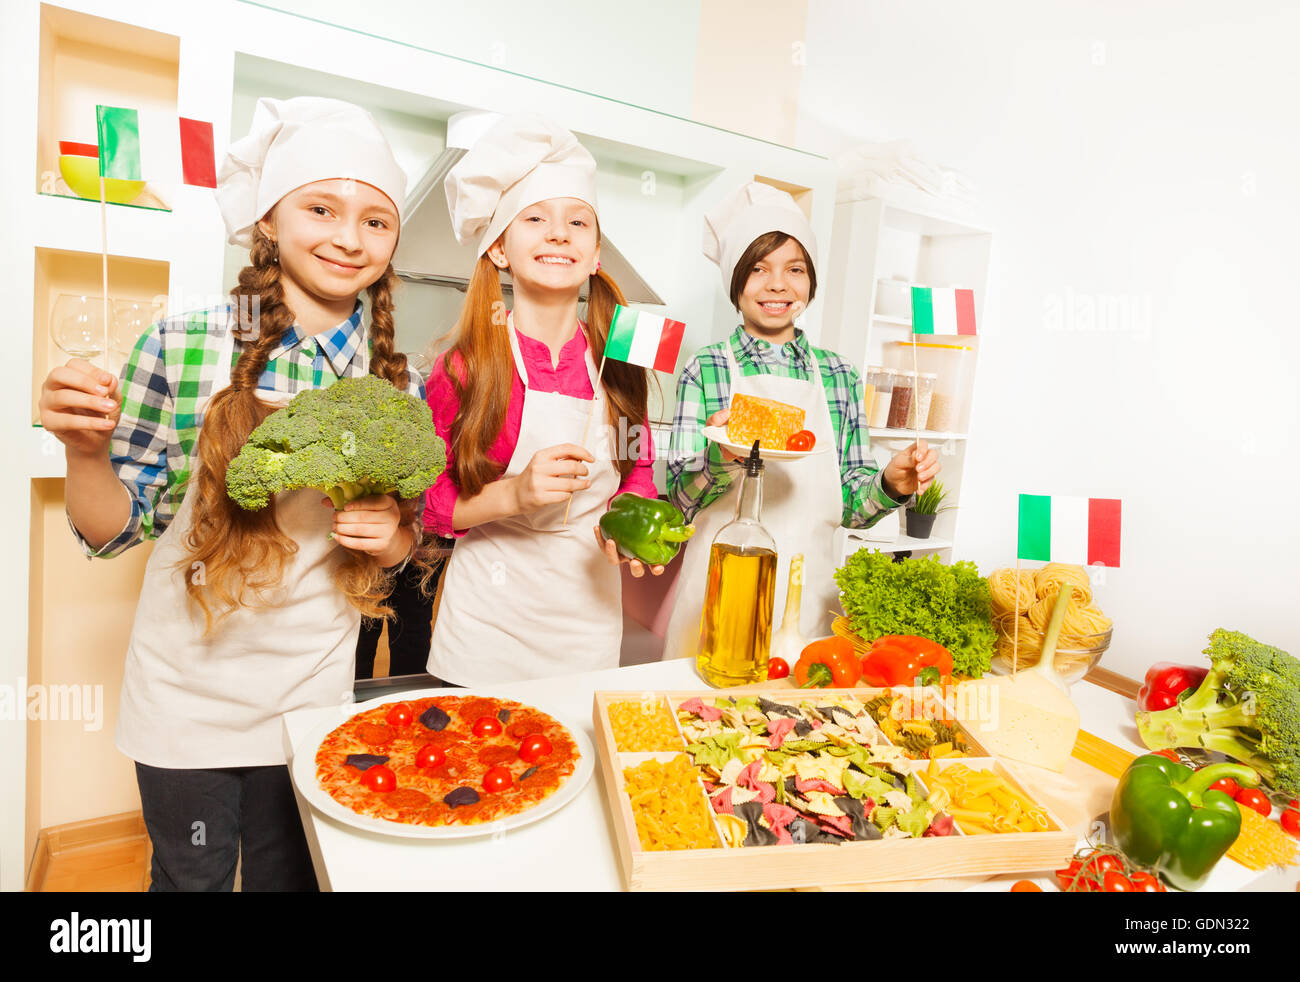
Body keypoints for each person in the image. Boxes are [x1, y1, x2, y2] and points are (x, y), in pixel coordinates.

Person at [38, 96, 429, 890]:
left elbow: (401, 550)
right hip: (187, 696)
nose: (349, 238)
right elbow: (114, 529)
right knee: (191, 879)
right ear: (269, 223)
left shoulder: (398, 380)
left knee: (294, 878)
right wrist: (85, 453)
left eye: (376, 221)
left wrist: (388, 532)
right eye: (321, 208)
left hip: (312, 696)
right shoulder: (183, 345)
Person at [424, 114, 661, 686]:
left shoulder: (623, 365)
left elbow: (638, 473)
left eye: (578, 221)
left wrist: (630, 532)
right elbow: (432, 506)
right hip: (484, 625)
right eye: (535, 218)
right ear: (500, 248)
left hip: (586, 627)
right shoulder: (464, 367)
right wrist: (516, 494)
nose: (559, 234)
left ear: (596, 252)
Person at [663, 182, 941, 660]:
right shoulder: (705, 367)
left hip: (808, 600)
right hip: (718, 597)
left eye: (795, 269)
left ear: (811, 282)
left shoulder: (838, 375)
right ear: (736, 283)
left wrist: (892, 484)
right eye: (758, 270)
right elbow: (677, 500)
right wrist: (720, 457)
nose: (777, 285)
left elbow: (851, 504)